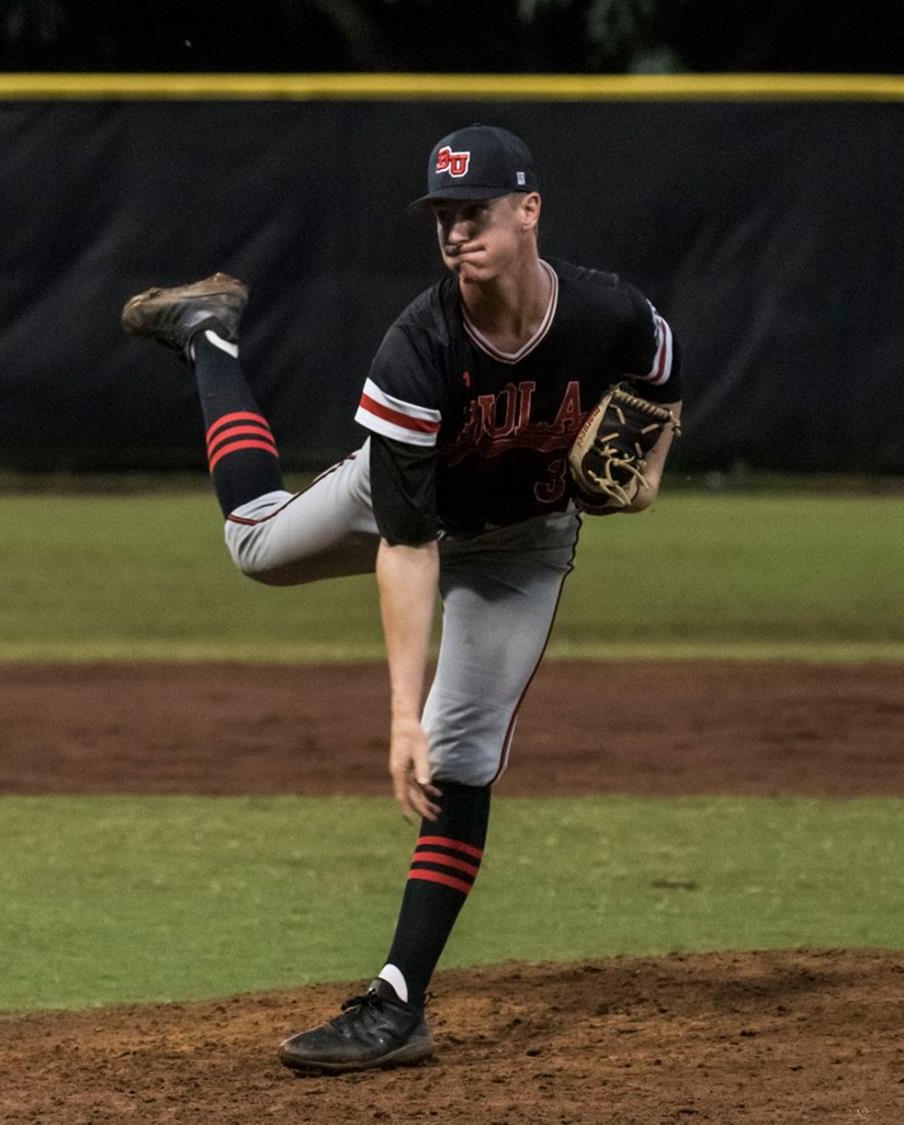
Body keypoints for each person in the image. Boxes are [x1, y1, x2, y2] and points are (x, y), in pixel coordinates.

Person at [120, 124, 682, 1074]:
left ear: (528, 210)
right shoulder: (420, 345)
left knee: (461, 752)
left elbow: (662, 372)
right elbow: (409, 545)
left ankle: (397, 1000)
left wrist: (647, 460)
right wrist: (397, 713)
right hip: (407, 498)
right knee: (254, 543)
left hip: (522, 547)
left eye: (475, 213)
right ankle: (211, 333)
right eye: (443, 217)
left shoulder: (607, 314)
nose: (456, 232)